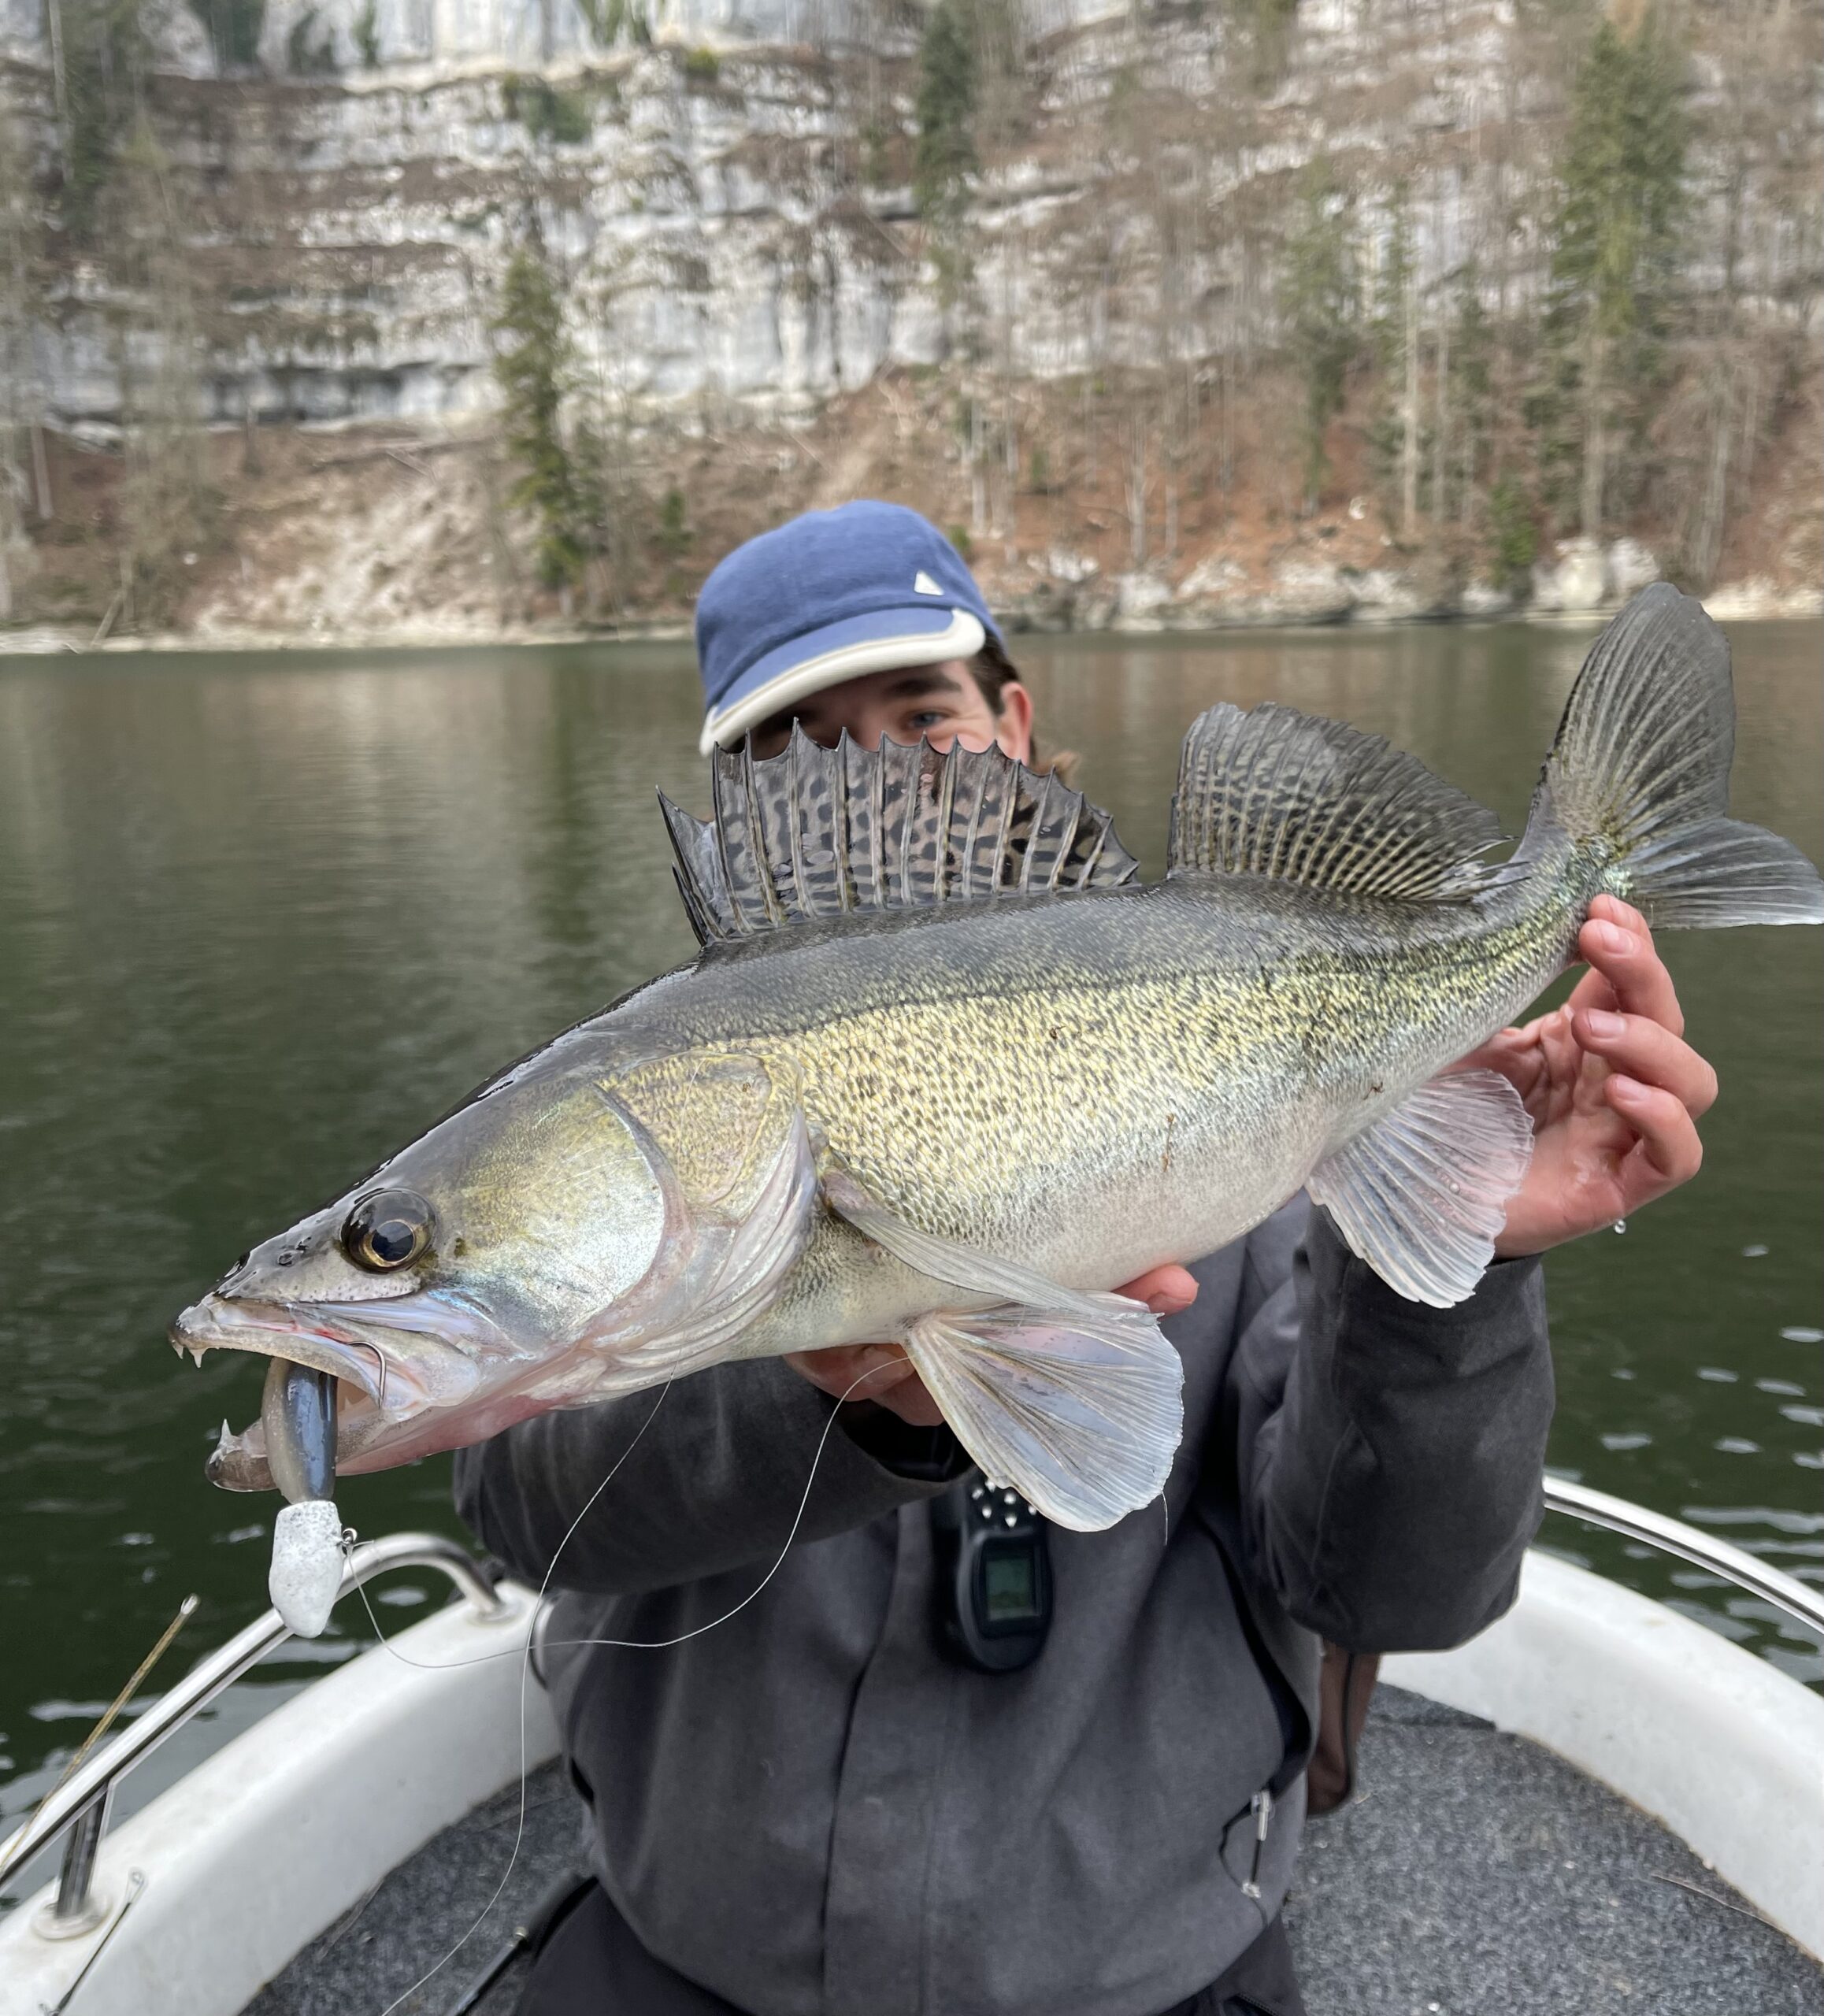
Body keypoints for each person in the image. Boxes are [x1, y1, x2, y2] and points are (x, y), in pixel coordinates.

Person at [455, 502, 1719, 2016]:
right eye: (803, 748)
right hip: (692, 1962)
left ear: (1015, 720)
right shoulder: (644, 1115)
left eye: (923, 712)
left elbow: (1401, 1594)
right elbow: (521, 1508)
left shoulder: (1241, 1094)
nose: (892, 770)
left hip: (1150, 1976)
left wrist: (1457, 1266)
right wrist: (839, 1396)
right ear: (751, 814)